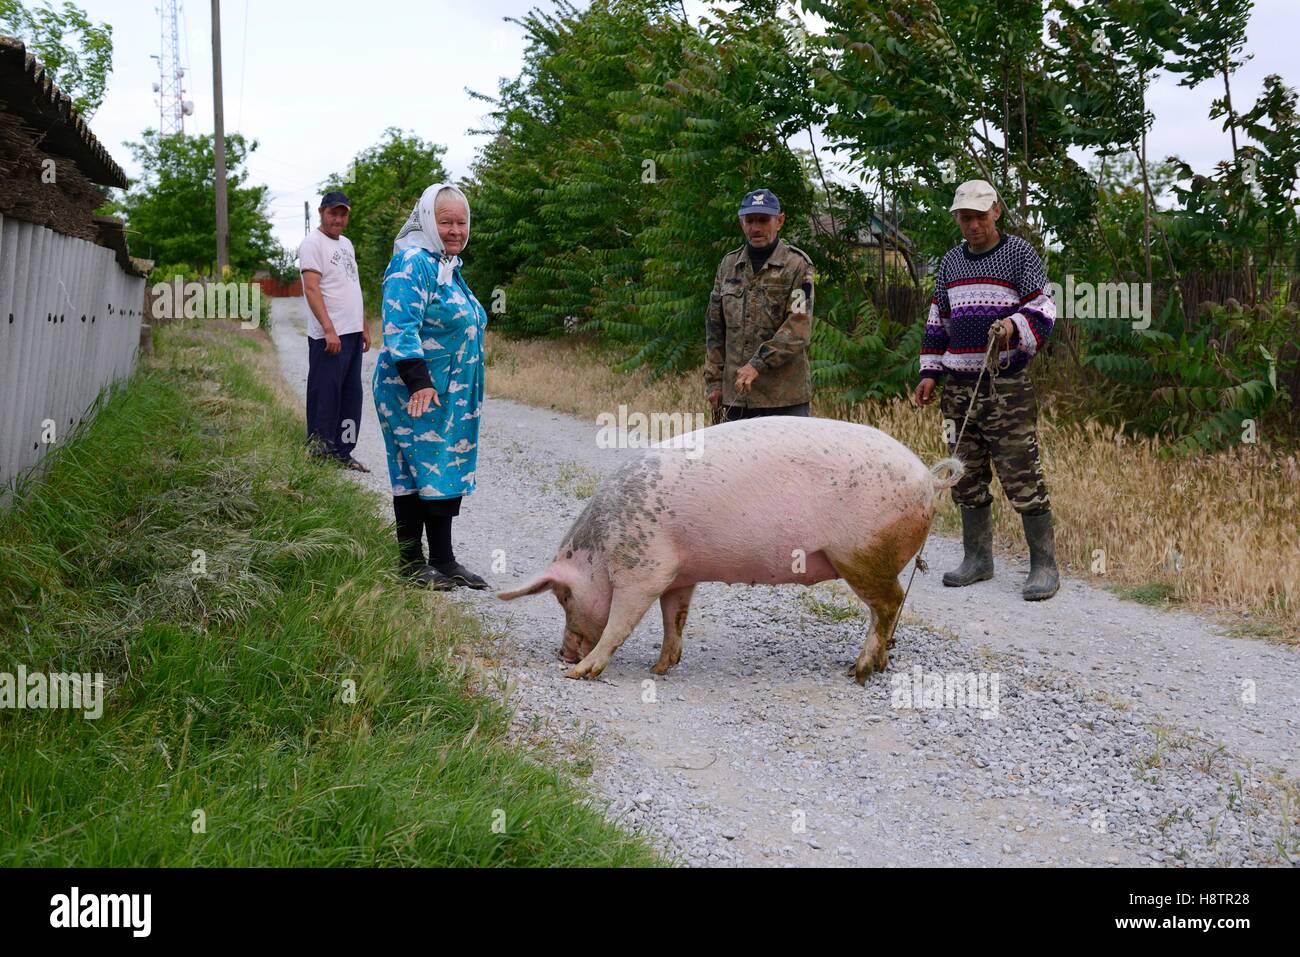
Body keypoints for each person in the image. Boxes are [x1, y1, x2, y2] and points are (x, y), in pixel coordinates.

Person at [913, 179, 1060, 600]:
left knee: (1021, 472)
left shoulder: (1019, 254)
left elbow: (1044, 307)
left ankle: (1044, 566)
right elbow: (937, 320)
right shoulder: (951, 262)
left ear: (996, 211)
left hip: (1006, 385)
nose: (972, 225)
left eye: (979, 216)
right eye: (965, 218)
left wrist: (1015, 325)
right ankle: (978, 559)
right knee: (965, 473)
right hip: (959, 386)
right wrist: (929, 372)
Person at [373, 183, 488, 590]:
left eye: (461, 222)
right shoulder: (412, 264)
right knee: (415, 471)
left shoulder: (446, 266)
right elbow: (399, 327)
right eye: (446, 222)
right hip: (413, 390)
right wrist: (419, 384)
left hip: (449, 392)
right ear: (427, 221)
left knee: (443, 469)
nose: (456, 230)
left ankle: (443, 559)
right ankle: (410, 563)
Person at [704, 188, 815, 421]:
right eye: (750, 220)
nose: (756, 228)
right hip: (736, 397)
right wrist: (714, 382)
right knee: (730, 458)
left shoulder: (797, 266)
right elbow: (715, 329)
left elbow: (798, 328)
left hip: (783, 399)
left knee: (788, 458)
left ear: (779, 221)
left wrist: (757, 364)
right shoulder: (728, 265)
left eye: (763, 220)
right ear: (741, 222)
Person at [299, 190, 370, 471]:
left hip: (352, 333)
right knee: (324, 394)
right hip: (328, 336)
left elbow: (352, 285)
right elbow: (312, 288)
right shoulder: (312, 244)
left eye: (343, 214)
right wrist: (329, 329)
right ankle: (318, 452)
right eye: (333, 213)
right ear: (321, 212)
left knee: (351, 396)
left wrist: (363, 325)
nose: (338, 219)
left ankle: (343, 452)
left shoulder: (347, 244)